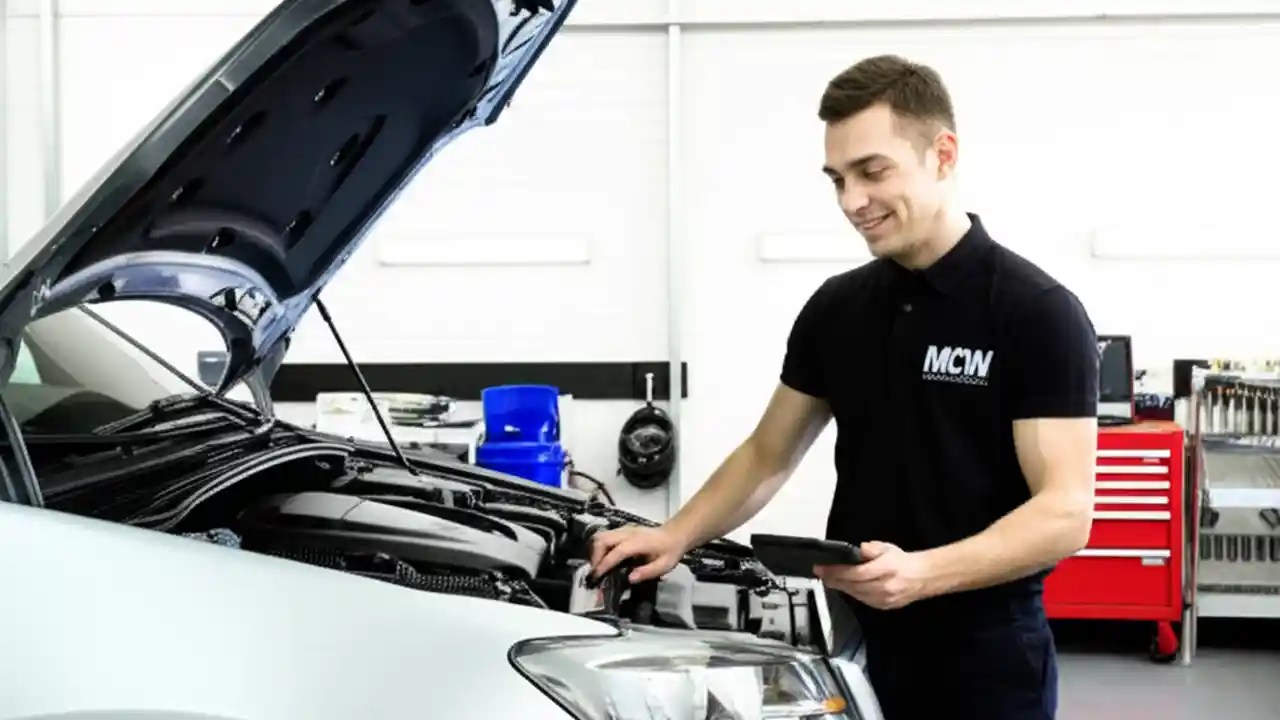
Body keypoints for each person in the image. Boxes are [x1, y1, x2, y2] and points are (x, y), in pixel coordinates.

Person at [589, 54, 1098, 719]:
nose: (852, 201)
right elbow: (766, 455)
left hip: (984, 657)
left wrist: (923, 573)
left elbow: (1065, 513)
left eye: (872, 171)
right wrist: (676, 534)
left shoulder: (1036, 312)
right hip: (853, 641)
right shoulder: (838, 308)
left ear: (943, 155)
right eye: (838, 179)